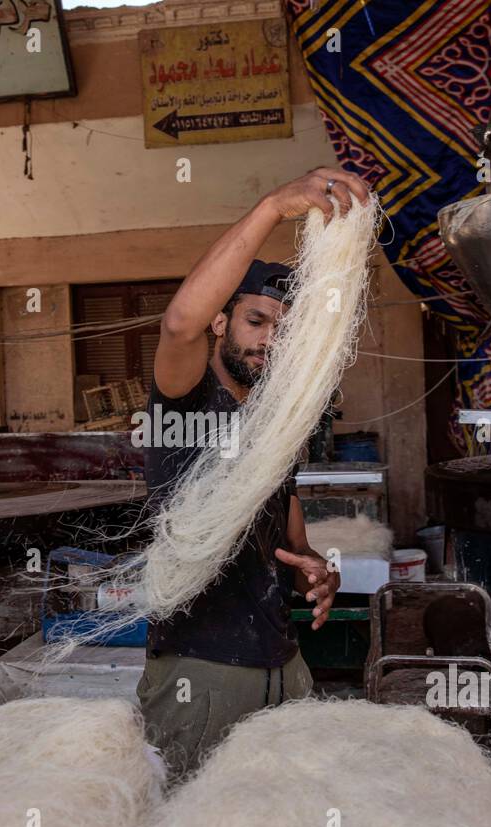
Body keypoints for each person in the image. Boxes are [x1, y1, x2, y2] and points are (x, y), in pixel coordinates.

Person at [136, 166, 372, 776]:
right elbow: (178, 325)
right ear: (223, 321)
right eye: (256, 321)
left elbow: (289, 540)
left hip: (283, 662)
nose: (270, 340)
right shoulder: (185, 394)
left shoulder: (279, 419)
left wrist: (316, 571)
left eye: (283, 328)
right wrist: (272, 206)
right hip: (202, 670)